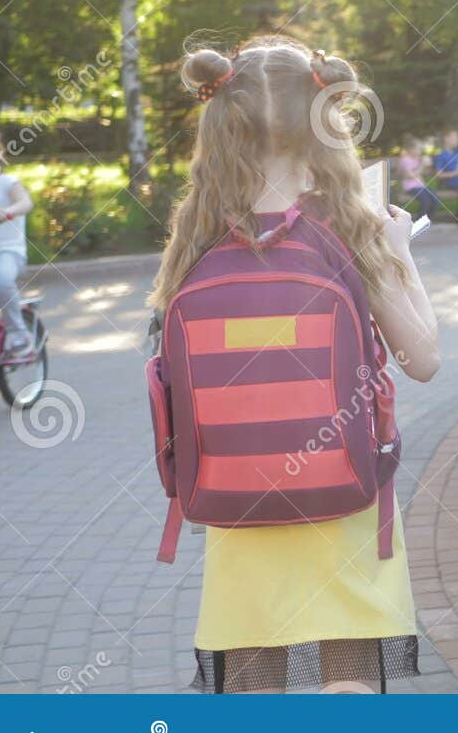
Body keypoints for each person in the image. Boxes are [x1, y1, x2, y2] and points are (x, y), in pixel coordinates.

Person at [151, 37, 440, 693]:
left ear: (223, 127)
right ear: (324, 127)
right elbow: (423, 358)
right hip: (343, 493)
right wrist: (401, 253)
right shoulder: (350, 231)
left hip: (235, 502)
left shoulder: (194, 245)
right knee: (348, 688)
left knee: (255, 698)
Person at [0, 148, 35, 360]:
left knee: (1, 280)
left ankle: (19, 335)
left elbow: (25, 202)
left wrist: (9, 211)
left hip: (9, 252)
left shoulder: (8, 182)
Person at [397, 134, 443, 221]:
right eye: (418, 149)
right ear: (411, 149)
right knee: (426, 201)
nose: (420, 151)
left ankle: (428, 220)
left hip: (421, 186)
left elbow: (424, 173)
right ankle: (419, 221)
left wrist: (427, 166)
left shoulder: (417, 159)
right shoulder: (405, 160)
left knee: (436, 199)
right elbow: (409, 176)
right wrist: (422, 165)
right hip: (411, 187)